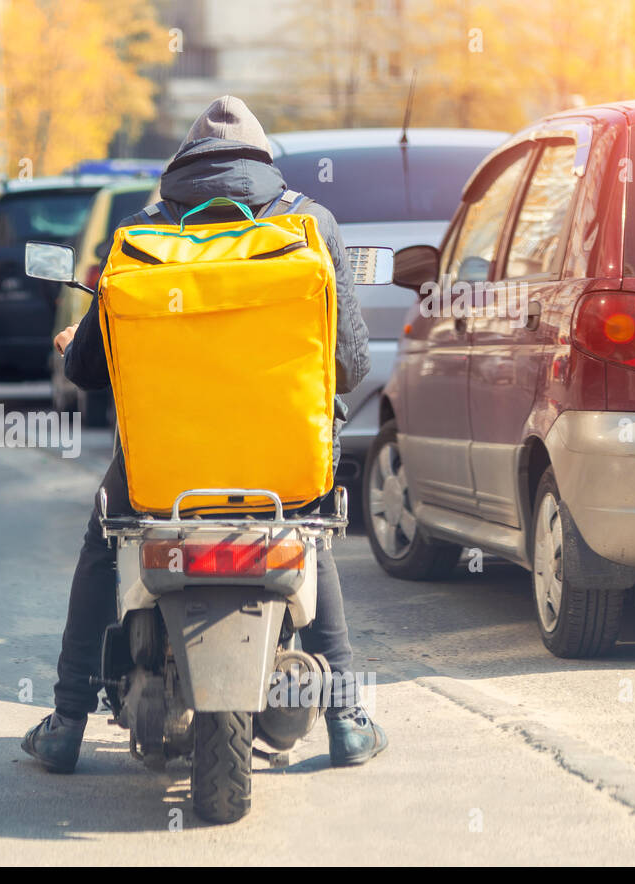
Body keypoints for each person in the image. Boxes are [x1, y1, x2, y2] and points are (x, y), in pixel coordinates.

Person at [22, 95, 388, 774]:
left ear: (186, 163)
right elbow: (351, 364)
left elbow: (87, 370)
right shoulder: (310, 224)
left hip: (164, 471)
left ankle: (68, 723)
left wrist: (82, 342)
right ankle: (346, 721)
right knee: (311, 538)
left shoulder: (141, 233)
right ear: (261, 161)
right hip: (281, 466)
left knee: (103, 544)